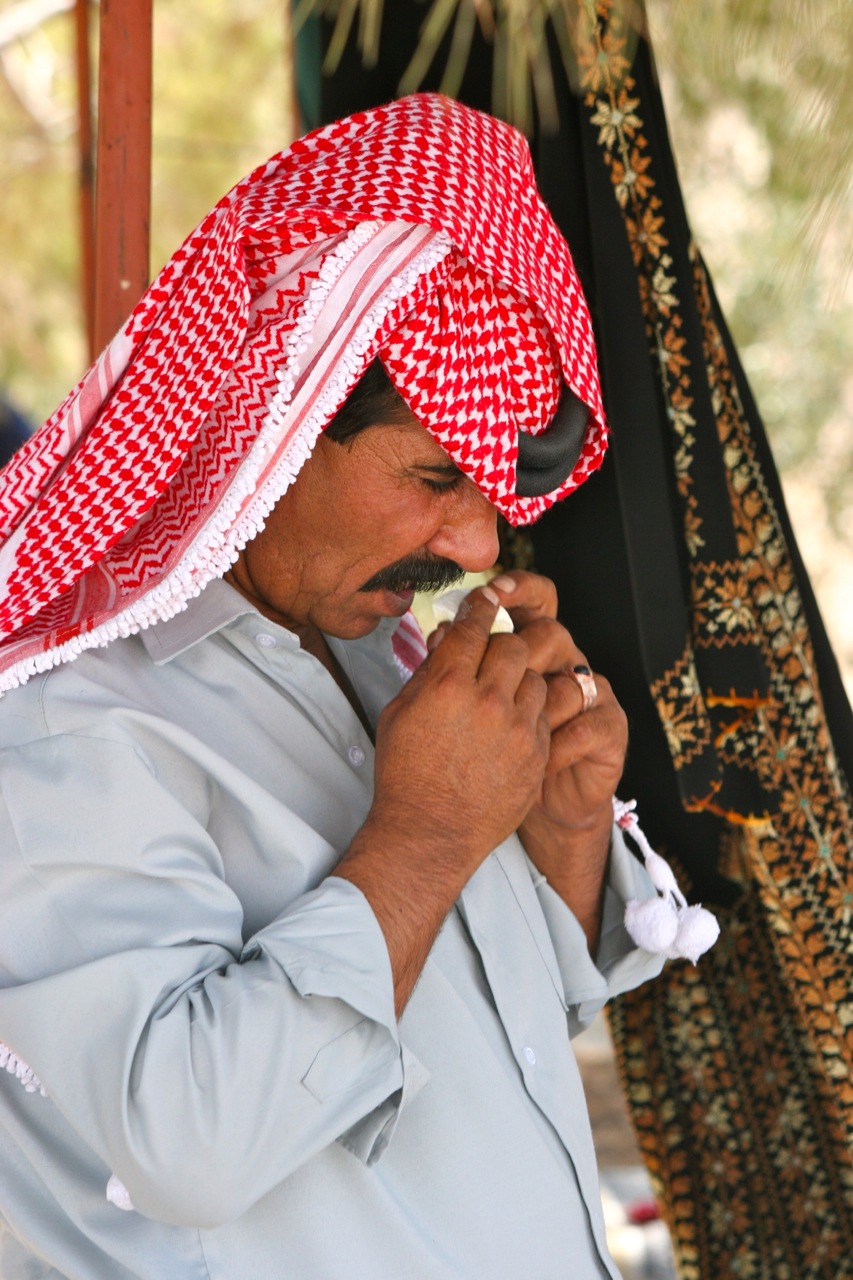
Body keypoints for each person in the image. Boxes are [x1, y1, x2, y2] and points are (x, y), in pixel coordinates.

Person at [0, 95, 710, 1279]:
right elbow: (190, 1144)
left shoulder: (377, 654)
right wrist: (427, 834)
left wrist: (559, 832)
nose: (480, 547)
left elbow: (495, 1041)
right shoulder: (60, 721)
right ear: (268, 413)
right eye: (435, 474)